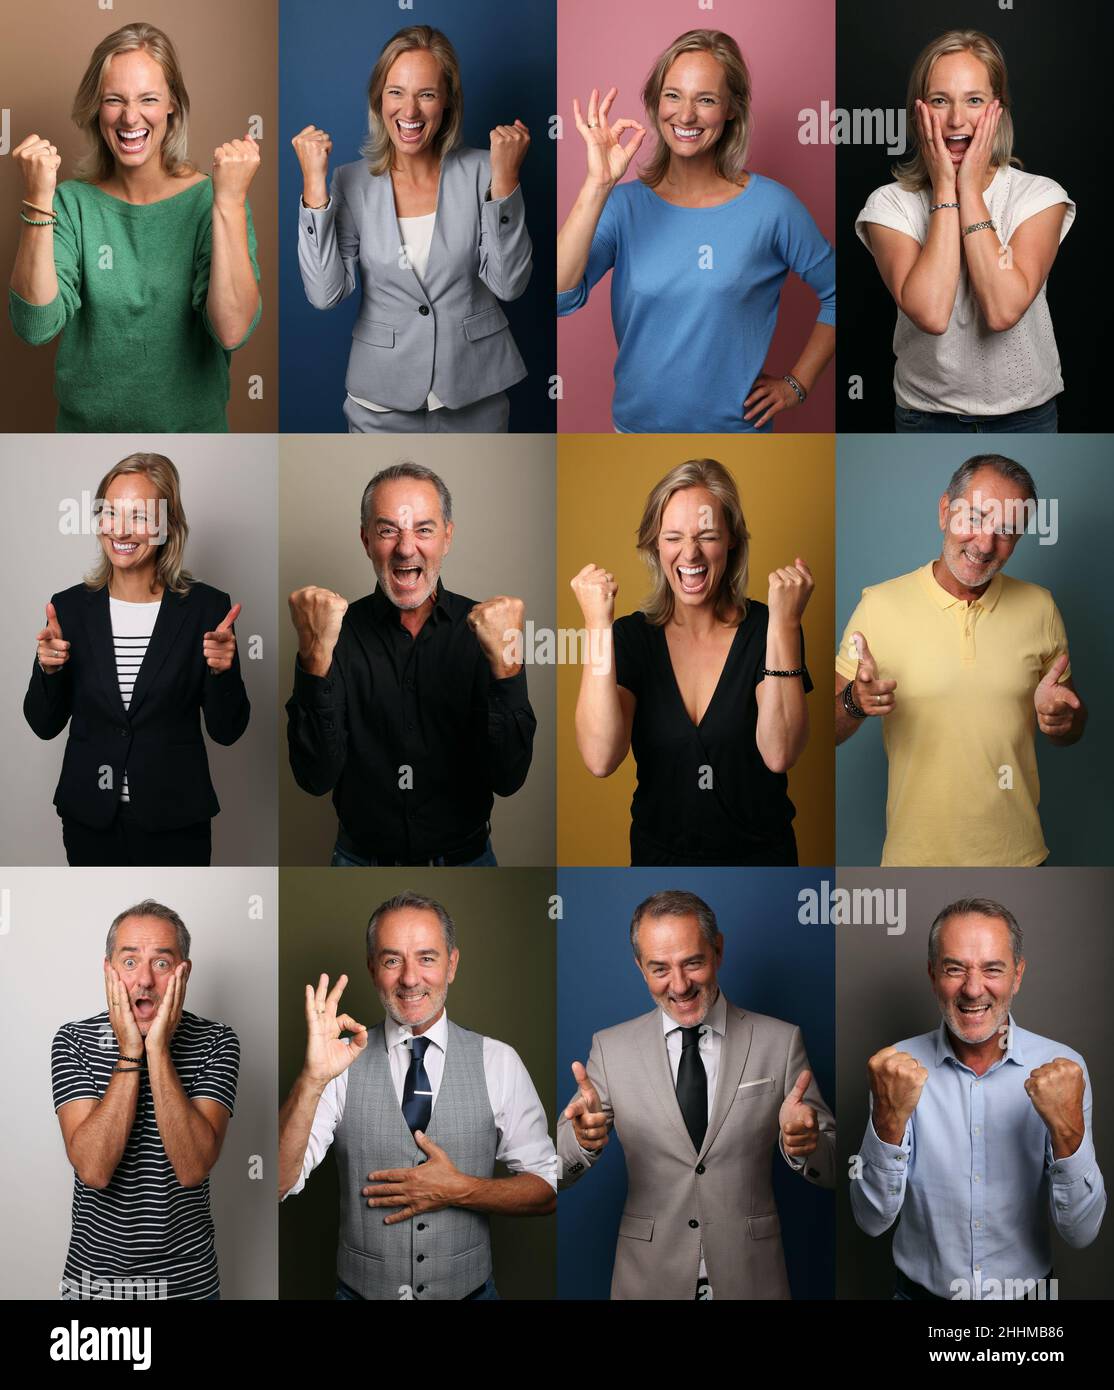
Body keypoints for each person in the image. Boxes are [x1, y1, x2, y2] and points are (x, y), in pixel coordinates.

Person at [278, 891, 557, 1301]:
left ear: (452, 965)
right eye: (393, 960)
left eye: (427, 958)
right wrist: (311, 1077)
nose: (410, 979)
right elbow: (279, 1181)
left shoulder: (499, 1061)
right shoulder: (338, 1064)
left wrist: (459, 1189)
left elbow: (547, 1187)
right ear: (373, 969)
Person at [557, 890, 835, 1300]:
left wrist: (805, 1146)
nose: (680, 985)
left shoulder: (780, 1041)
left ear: (718, 951)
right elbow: (554, 1171)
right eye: (659, 969)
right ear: (639, 967)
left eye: (693, 962)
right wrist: (582, 1141)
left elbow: (834, 1166)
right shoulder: (609, 1048)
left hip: (752, 1280)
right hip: (647, 1281)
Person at [556, 28, 835, 434]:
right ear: (655, 102)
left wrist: (798, 384)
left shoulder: (773, 208)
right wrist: (597, 186)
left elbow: (838, 291)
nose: (685, 116)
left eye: (705, 99)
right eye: (673, 95)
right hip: (635, 434)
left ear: (731, 109)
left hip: (739, 437)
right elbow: (560, 296)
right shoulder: (622, 206)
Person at [7, 21, 261, 432]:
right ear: (96, 106)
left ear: (172, 104)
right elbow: (35, 326)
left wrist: (229, 203)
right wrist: (38, 198)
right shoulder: (71, 203)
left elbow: (232, 330)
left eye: (148, 99)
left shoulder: (211, 201)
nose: (130, 117)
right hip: (83, 442)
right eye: (114, 100)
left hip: (194, 443)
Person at [835, 453, 1086, 866]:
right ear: (943, 511)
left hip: (1021, 859)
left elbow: (1072, 725)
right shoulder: (878, 605)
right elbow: (825, 728)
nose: (985, 545)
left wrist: (1061, 721)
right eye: (974, 518)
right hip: (912, 862)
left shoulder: (1041, 607)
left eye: (1005, 530)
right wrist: (854, 702)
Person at [850, 898, 1106, 1300]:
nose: (973, 989)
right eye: (955, 969)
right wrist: (887, 1119)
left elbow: (1082, 1231)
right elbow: (870, 1219)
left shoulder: (1065, 1068)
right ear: (933, 974)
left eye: (992, 969)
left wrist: (1067, 1131)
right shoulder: (893, 1070)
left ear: (1017, 975)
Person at [286, 461, 534, 867]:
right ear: (366, 540)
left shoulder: (488, 628)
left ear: (447, 537)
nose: (405, 548)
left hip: (467, 863)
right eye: (388, 530)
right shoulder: (334, 631)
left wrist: (507, 668)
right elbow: (315, 778)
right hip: (358, 862)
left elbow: (509, 778)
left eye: (423, 529)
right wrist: (315, 655)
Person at [571, 457, 813, 866]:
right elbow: (600, 758)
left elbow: (779, 753)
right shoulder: (631, 638)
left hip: (762, 865)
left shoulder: (768, 629)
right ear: (654, 544)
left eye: (707, 535)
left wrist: (785, 626)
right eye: (673, 537)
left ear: (732, 540)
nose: (690, 553)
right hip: (658, 865)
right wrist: (597, 627)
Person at [293, 24, 531, 433]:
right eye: (396, 92)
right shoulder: (351, 183)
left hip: (474, 396)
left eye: (426, 94)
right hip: (380, 402)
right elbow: (324, 294)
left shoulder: (484, 172)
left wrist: (506, 182)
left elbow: (509, 285)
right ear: (378, 99)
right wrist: (314, 188)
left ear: (447, 104)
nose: (410, 111)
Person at [24, 452, 250, 867]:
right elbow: (43, 724)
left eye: (141, 516)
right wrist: (48, 671)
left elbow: (227, 731)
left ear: (168, 526)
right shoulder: (68, 609)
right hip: (89, 818)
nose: (121, 530)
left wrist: (223, 673)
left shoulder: (207, 608)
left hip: (177, 820)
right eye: (111, 512)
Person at [856, 29, 1072, 433]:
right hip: (926, 418)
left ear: (998, 110)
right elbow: (931, 313)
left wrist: (969, 191)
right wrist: (944, 189)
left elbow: (1003, 309)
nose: (956, 120)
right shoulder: (889, 204)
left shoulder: (1041, 197)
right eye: (940, 101)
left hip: (1027, 417)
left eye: (974, 100)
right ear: (919, 111)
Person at [52, 900, 238, 1301]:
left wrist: (158, 1051)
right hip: (93, 1283)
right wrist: (130, 1052)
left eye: (162, 963)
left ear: (183, 973)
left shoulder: (218, 1042)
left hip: (188, 1286)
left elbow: (192, 1169)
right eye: (131, 962)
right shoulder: (72, 1041)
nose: (145, 982)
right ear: (109, 971)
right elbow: (94, 1170)